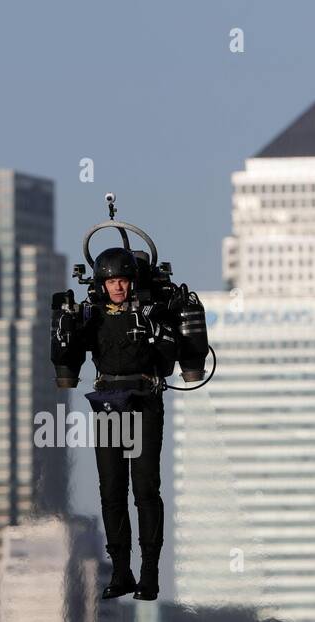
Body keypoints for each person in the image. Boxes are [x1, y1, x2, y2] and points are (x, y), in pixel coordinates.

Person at [50, 246, 206, 600]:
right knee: (111, 491)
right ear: (101, 284)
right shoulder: (92, 316)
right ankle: (121, 572)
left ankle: (149, 573)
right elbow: (66, 355)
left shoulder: (154, 312)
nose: (117, 287)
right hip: (107, 402)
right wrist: (65, 326)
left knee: (146, 491)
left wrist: (156, 329)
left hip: (146, 400)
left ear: (132, 282)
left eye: (122, 280)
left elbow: (168, 361)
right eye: (111, 281)